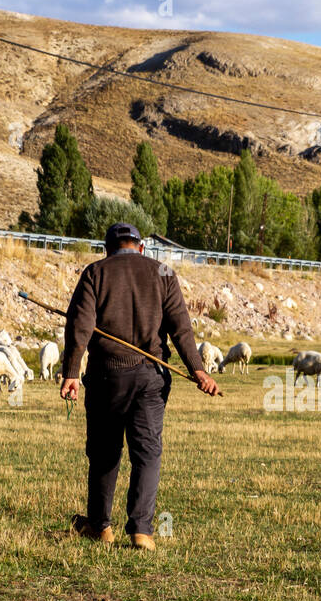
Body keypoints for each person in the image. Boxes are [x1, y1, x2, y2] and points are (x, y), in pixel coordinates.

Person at [60, 222, 219, 549]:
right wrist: (198, 370)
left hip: (107, 378)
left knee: (104, 453)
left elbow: (80, 326)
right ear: (141, 247)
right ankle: (142, 532)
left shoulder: (95, 272)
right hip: (151, 378)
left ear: (108, 247)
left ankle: (100, 526)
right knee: (147, 452)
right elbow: (181, 329)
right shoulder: (163, 272)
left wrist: (72, 373)